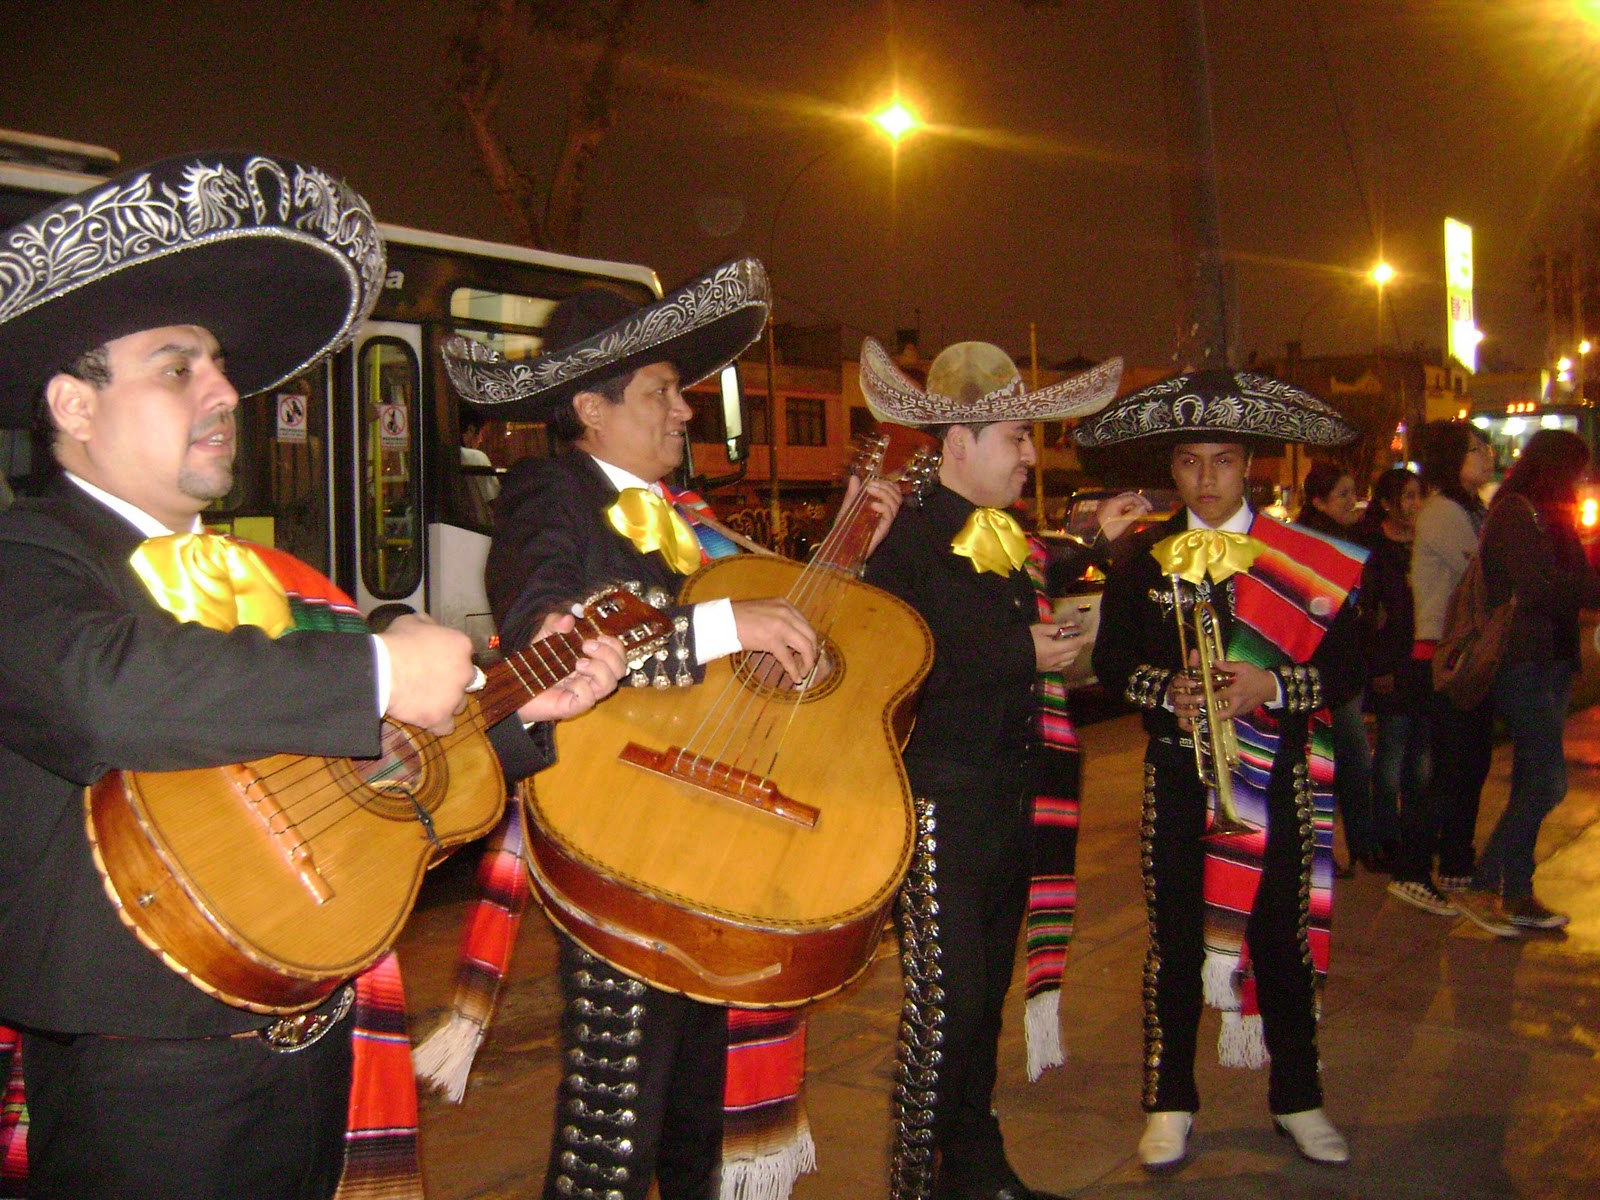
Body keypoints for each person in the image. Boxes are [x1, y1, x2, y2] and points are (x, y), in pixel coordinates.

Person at [0, 153, 624, 1200]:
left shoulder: (263, 581)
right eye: (176, 365)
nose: (224, 389)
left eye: (221, 365)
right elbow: (103, 694)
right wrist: (375, 665)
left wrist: (519, 709)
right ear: (73, 401)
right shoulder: (32, 559)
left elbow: (366, 777)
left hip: (310, 1040)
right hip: (145, 1068)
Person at [442, 258, 901, 1200]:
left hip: (707, 831)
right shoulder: (548, 494)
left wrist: (850, 547)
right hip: (623, 836)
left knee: (701, 1106)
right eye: (663, 392)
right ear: (589, 409)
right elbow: (551, 636)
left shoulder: (688, 520)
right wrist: (727, 625)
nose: (686, 412)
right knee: (616, 1126)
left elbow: (773, 624)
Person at [858, 338, 1140, 1200]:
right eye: (1017, 436)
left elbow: (1032, 587)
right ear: (957, 444)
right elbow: (895, 659)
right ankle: (918, 1181)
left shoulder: (1006, 536)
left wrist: (1096, 548)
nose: (1029, 453)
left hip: (1009, 798)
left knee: (982, 1007)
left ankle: (975, 1170)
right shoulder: (900, 538)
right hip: (940, 801)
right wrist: (1019, 647)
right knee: (947, 1010)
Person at [1078, 370, 1365, 1172]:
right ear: (1171, 470)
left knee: (1283, 941)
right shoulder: (1142, 559)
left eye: (1224, 461)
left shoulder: (1300, 560)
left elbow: (1348, 669)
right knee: (1171, 942)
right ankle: (1169, 1102)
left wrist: (1271, 685)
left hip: (1275, 781)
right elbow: (1111, 664)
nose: (1207, 479)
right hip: (1177, 775)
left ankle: (1299, 1099)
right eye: (1190, 463)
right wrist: (1165, 690)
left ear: (1251, 468)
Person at [1453, 429, 1600, 935]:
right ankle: (1485, 883)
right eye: (1575, 469)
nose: (1580, 479)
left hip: (1554, 660)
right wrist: (1577, 589)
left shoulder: (1554, 517)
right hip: (1521, 661)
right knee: (1547, 781)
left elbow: (1581, 580)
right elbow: (1533, 587)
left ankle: (1515, 892)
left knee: (1531, 781)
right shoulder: (1516, 512)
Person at [1388, 421, 1494, 917]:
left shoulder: (1472, 508)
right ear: (1453, 458)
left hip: (1464, 653)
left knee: (1468, 764)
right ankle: (1411, 871)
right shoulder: (1445, 512)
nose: (1487, 453)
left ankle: (1454, 861)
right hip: (1442, 655)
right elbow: (1486, 574)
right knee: (1446, 769)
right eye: (1475, 448)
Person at [1295, 462, 1375, 873]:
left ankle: (1355, 843)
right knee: (1341, 763)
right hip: (1323, 672)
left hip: (1342, 667)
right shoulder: (1312, 544)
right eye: (1342, 494)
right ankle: (1340, 847)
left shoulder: (1348, 538)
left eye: (1353, 492)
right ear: (1318, 501)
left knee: (1347, 762)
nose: (1351, 501)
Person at [1352, 467, 1425, 873]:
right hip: (1392, 660)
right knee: (1392, 751)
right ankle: (1386, 835)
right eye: (1408, 497)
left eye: (1419, 496)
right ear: (1387, 503)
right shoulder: (1374, 548)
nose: (1415, 505)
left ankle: (1415, 833)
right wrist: (1378, 665)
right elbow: (1370, 615)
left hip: (1424, 658)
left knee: (1421, 756)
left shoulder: (1424, 544)